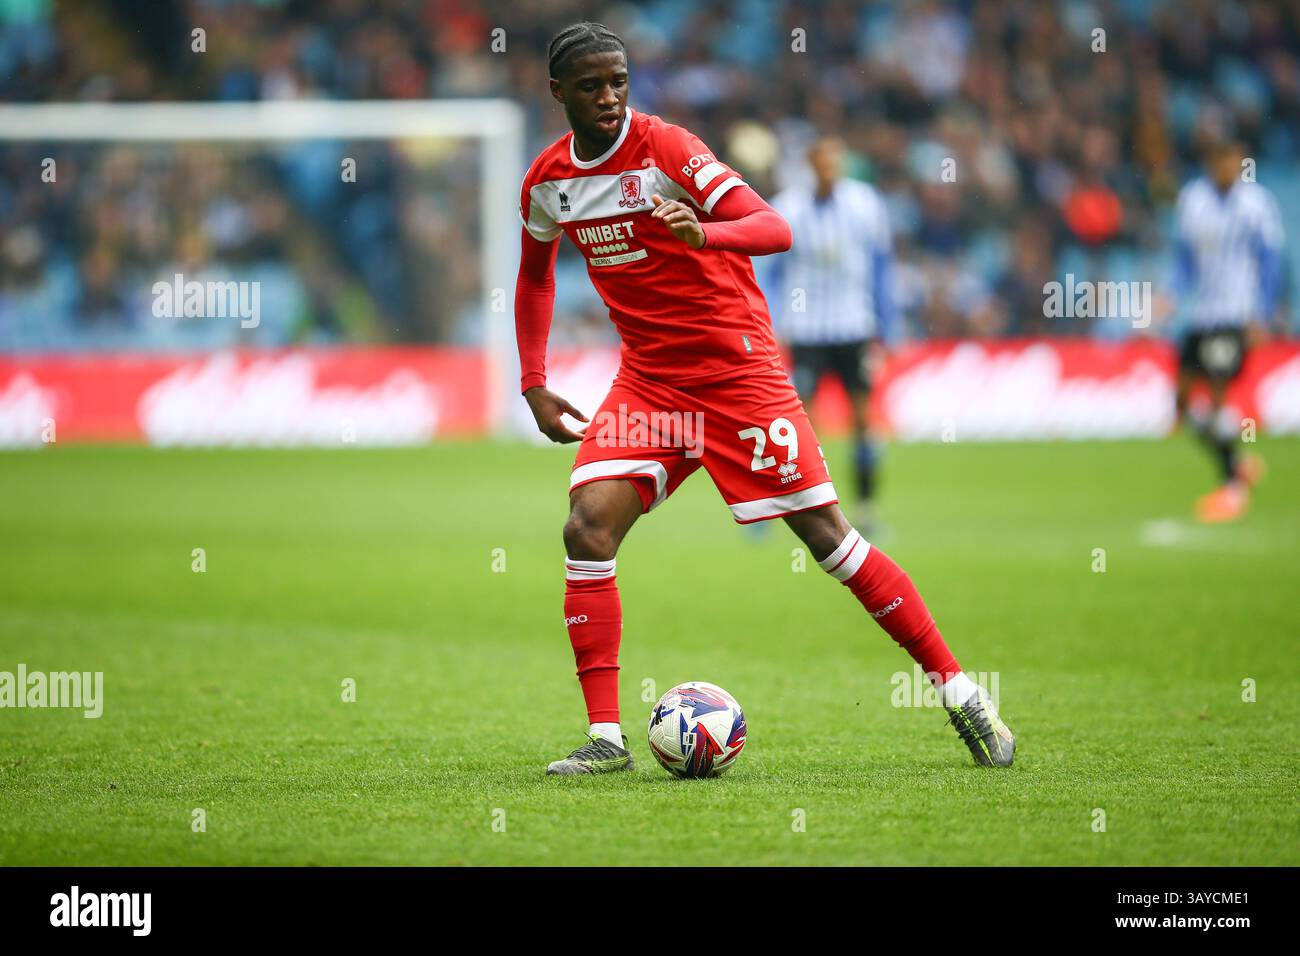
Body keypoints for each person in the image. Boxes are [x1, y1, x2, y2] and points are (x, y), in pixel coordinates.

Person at [514, 22, 1014, 774]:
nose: (611, 97)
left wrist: (704, 234)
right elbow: (533, 277)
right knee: (587, 529)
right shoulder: (548, 182)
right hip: (651, 382)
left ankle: (962, 694)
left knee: (830, 542)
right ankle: (606, 740)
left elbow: (774, 228)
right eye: (592, 85)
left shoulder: (669, 149)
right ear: (558, 93)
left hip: (736, 373)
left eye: (619, 80)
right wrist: (534, 382)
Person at [769, 135, 897, 529]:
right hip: (806, 329)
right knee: (799, 426)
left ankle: (865, 508)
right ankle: (786, 508)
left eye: (834, 160)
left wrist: (888, 326)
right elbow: (771, 271)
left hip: (853, 325)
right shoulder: (787, 207)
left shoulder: (866, 204)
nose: (828, 167)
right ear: (810, 163)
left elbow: (880, 266)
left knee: (863, 420)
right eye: (821, 160)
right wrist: (773, 323)